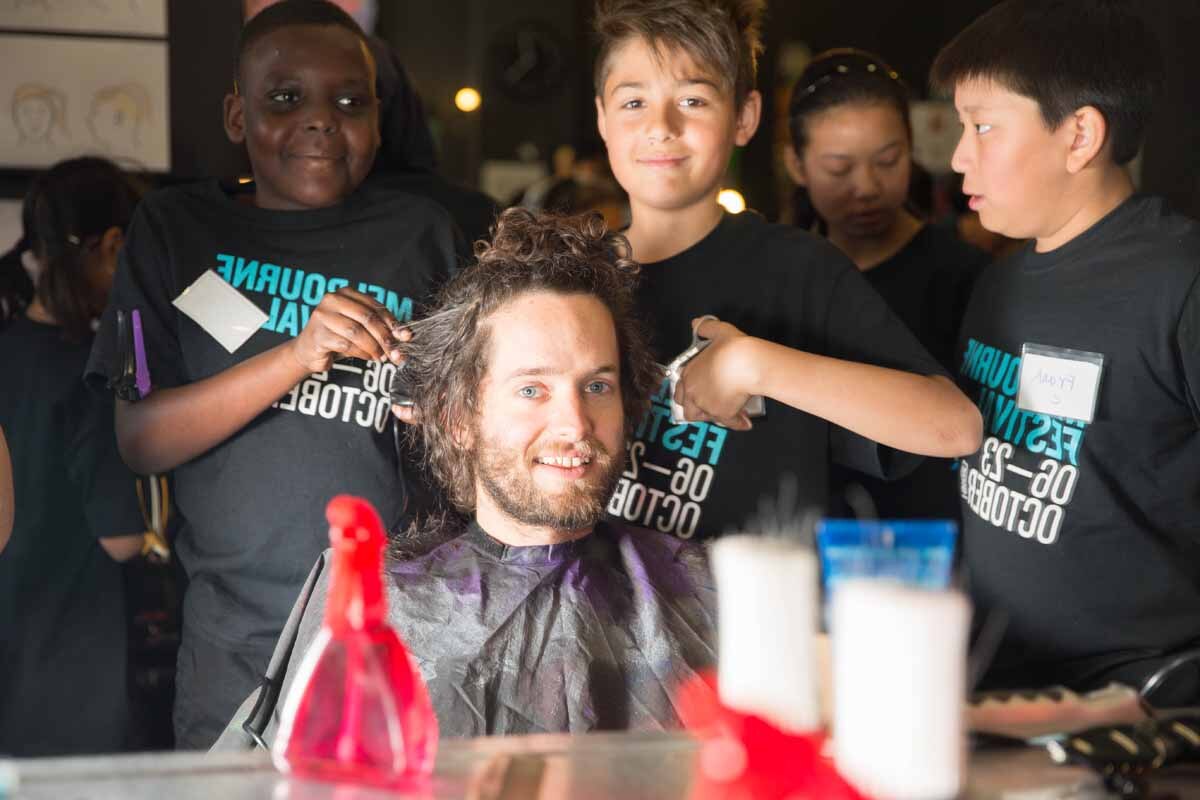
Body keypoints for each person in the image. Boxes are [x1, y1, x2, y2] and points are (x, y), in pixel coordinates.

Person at [85, 0, 464, 750]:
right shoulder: (176, 230)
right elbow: (139, 439)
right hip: (237, 653)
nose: (321, 121)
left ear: (380, 120)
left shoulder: (424, 236)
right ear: (236, 115)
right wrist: (297, 353)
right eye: (285, 98)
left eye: (350, 101)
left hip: (402, 639)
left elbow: (470, 436)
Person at [218, 209, 715, 744]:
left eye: (597, 386)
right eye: (532, 390)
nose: (575, 424)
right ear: (458, 420)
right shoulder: (378, 604)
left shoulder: (702, 585)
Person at [591, 0, 982, 540]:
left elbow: (954, 426)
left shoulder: (800, 269)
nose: (662, 127)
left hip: (752, 616)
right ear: (602, 118)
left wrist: (754, 365)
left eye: (693, 99)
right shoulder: (570, 281)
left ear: (745, 118)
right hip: (595, 613)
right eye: (634, 101)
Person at [931, 0, 1200, 704]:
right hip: (1001, 689)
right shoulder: (997, 284)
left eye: (983, 125)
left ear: (1079, 134)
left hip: (1144, 705)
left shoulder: (1181, 282)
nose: (960, 155)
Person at [784, 48, 991, 520]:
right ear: (797, 163)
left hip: (931, 546)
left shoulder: (964, 276)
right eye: (839, 168)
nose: (867, 186)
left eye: (888, 159)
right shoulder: (782, 275)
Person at [0, 157, 147, 756]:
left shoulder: (6, 349)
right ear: (113, 246)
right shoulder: (89, 370)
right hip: (72, 669)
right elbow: (125, 540)